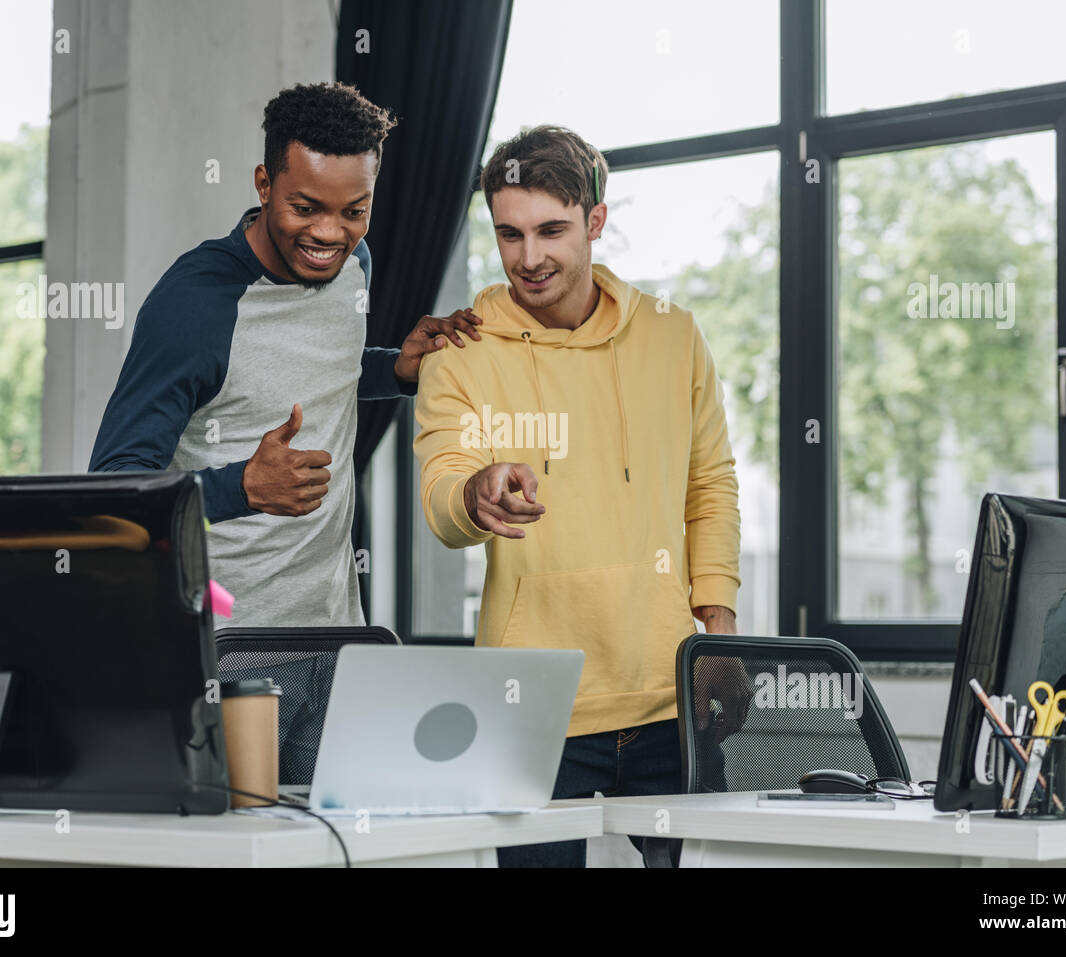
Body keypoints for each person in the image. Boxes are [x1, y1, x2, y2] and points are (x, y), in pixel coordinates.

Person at [413, 125, 749, 866]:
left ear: (596, 221)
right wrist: (475, 493)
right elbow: (442, 491)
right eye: (509, 233)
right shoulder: (461, 351)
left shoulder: (673, 336)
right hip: (526, 708)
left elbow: (710, 485)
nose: (528, 257)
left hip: (669, 699)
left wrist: (716, 631)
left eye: (551, 230)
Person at [90, 81, 479, 631]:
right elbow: (114, 494)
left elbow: (307, 367)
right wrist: (241, 488)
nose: (328, 234)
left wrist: (393, 368)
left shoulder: (353, 264)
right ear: (264, 184)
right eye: (306, 207)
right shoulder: (195, 304)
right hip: (217, 642)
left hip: (330, 630)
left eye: (354, 210)